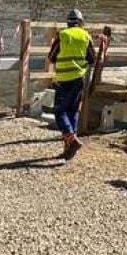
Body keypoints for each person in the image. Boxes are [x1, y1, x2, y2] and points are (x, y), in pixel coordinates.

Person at [47, 9, 96, 159]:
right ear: (81, 22)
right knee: (73, 111)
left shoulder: (62, 35)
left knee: (59, 111)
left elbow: (51, 57)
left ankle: (70, 139)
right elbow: (92, 59)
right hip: (78, 79)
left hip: (64, 80)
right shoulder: (86, 36)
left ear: (68, 22)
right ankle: (69, 149)